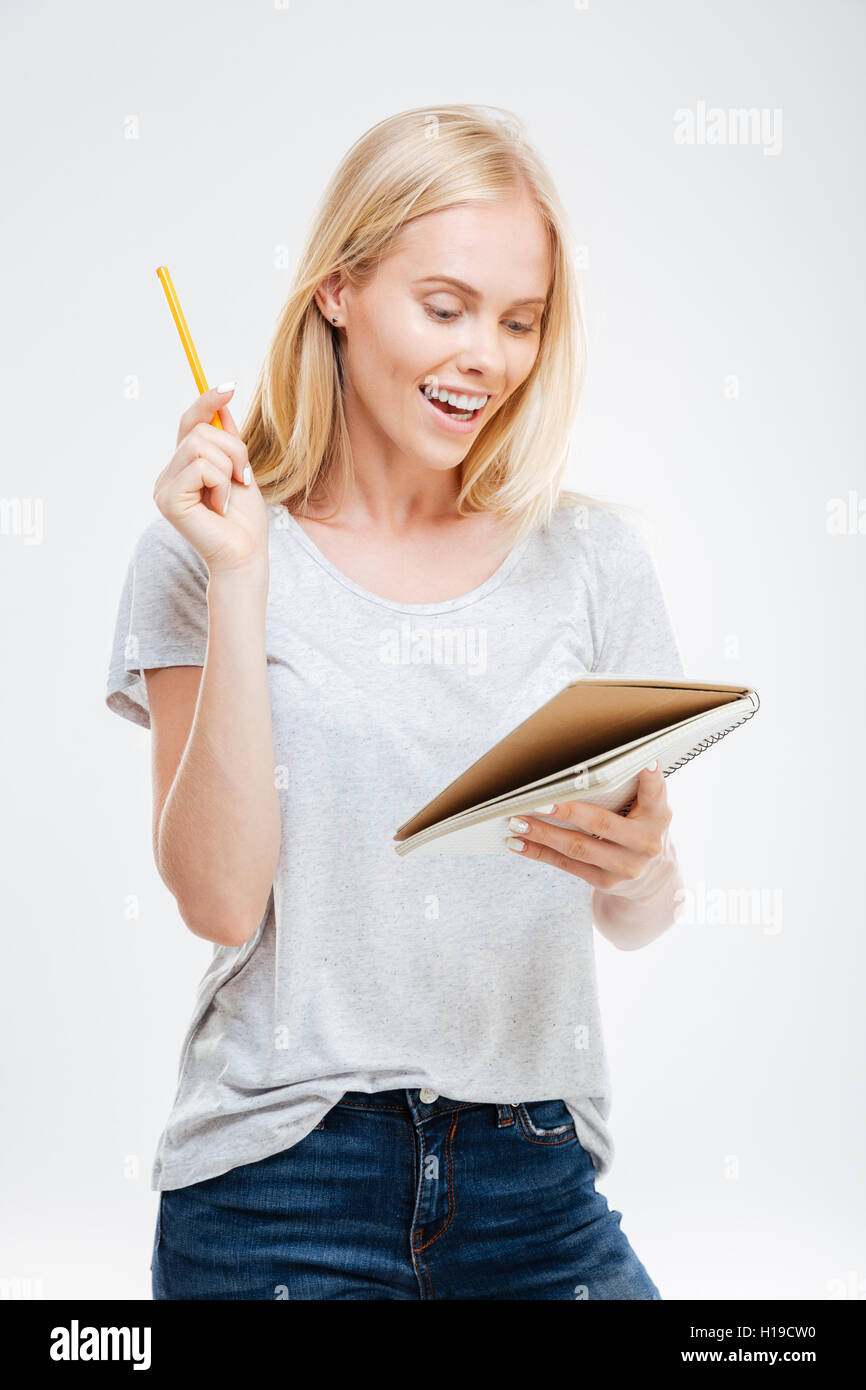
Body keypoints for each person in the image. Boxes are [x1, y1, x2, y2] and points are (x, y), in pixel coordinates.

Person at [105, 104, 685, 1301]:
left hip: (534, 1175)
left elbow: (640, 910)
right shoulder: (204, 548)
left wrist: (634, 868)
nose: (487, 354)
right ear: (337, 291)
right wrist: (241, 579)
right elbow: (218, 901)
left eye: (519, 321)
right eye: (445, 307)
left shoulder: (589, 563)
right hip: (282, 1180)